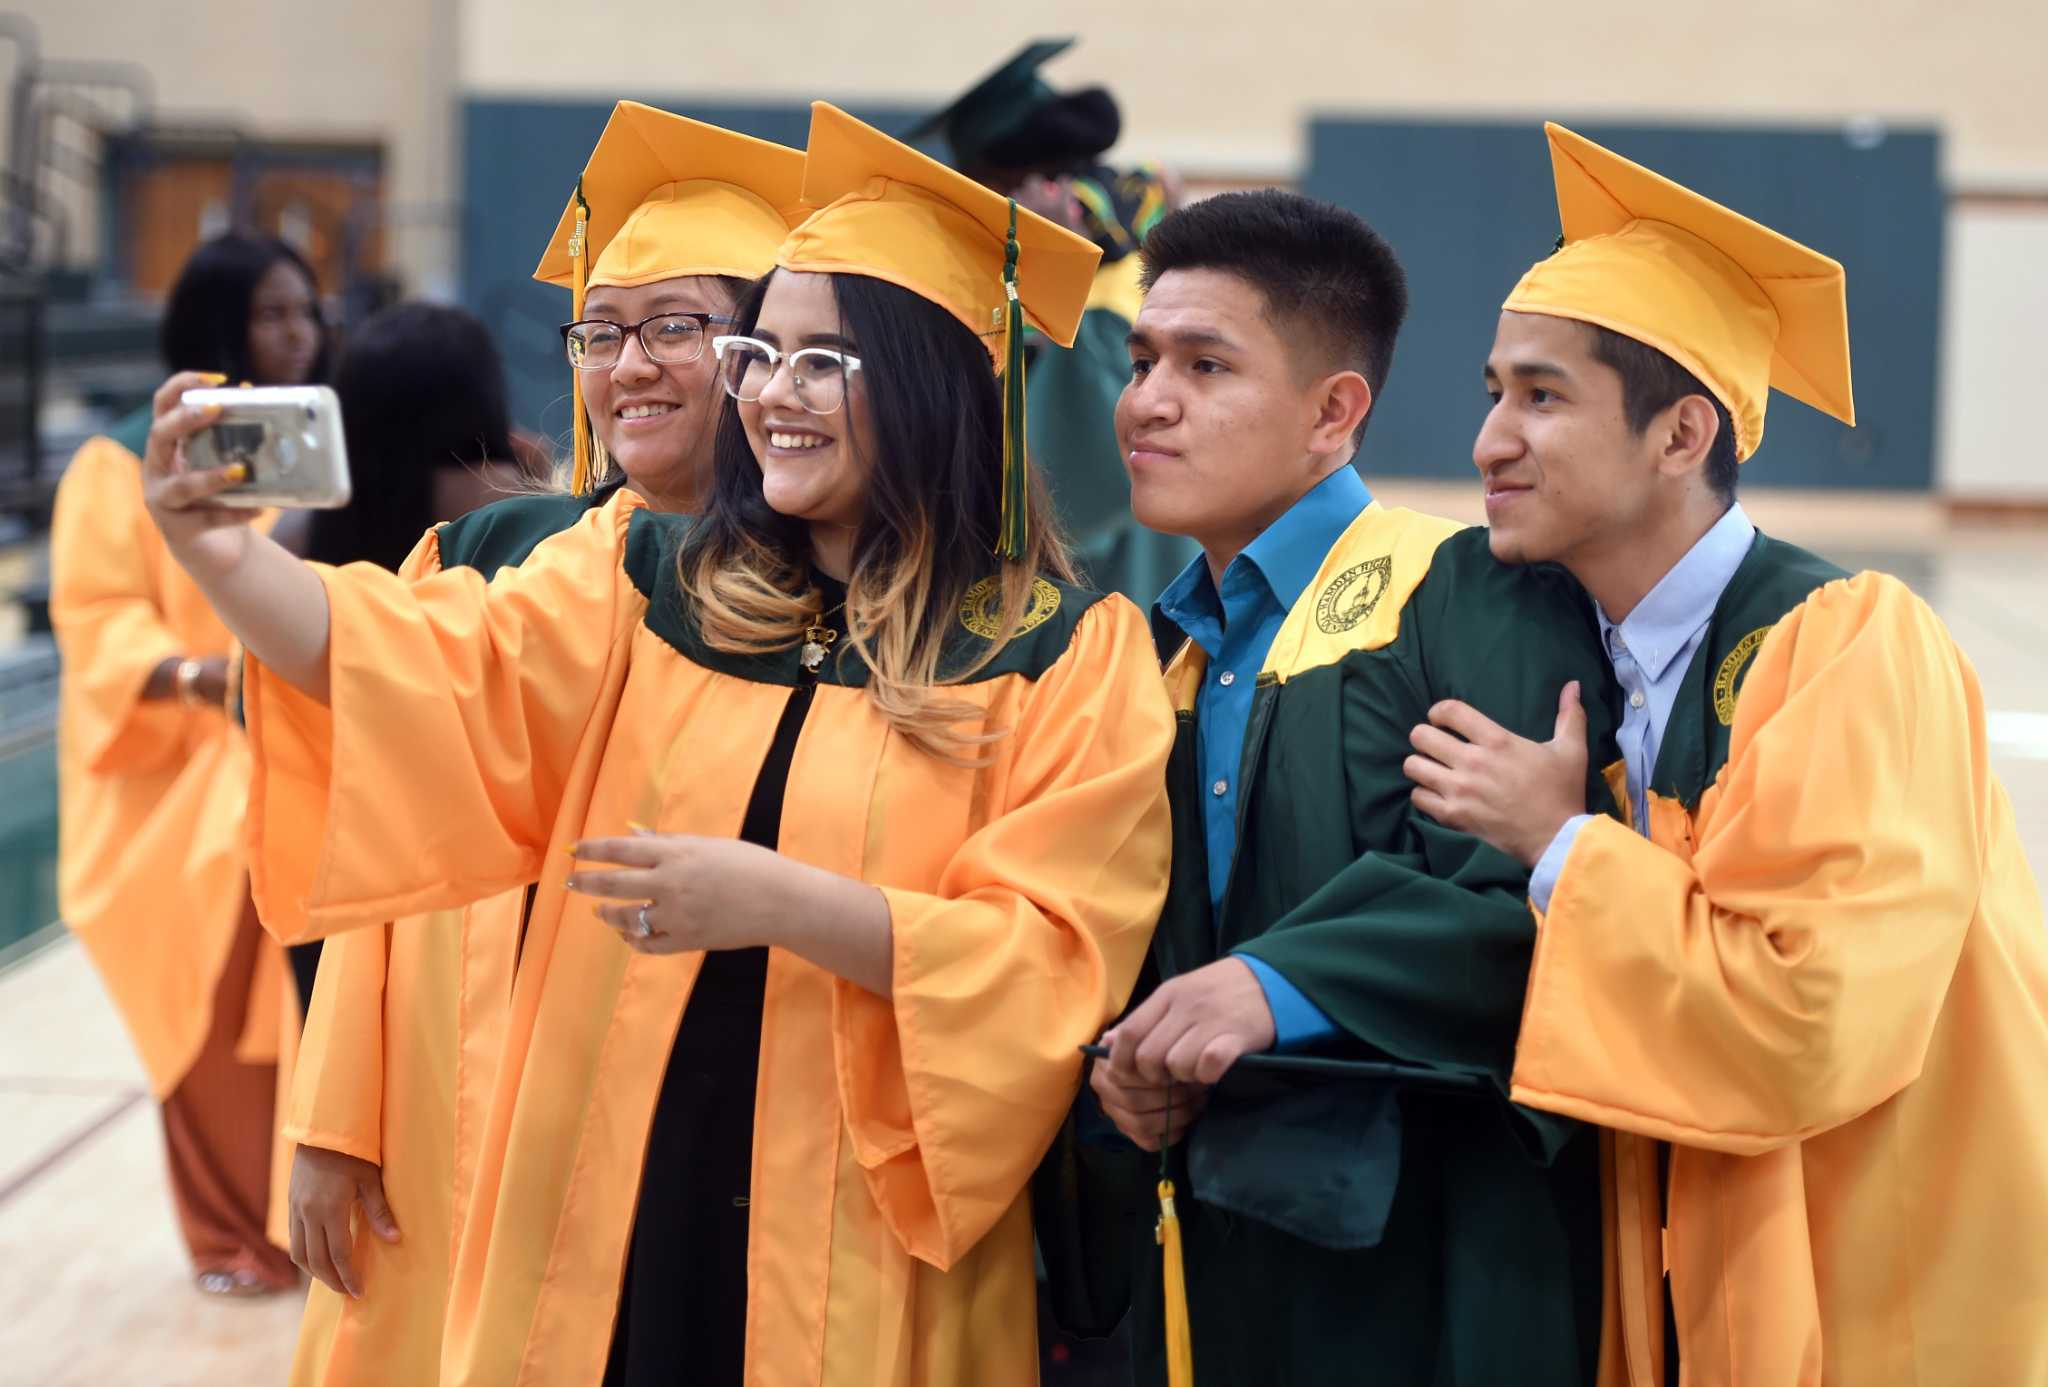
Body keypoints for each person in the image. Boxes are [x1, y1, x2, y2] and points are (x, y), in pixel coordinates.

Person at [142, 103, 1174, 1386]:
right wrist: (222, 552)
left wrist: (777, 902)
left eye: (816, 362)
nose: (769, 395)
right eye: (764, 355)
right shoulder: (639, 584)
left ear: (925, 385)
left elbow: (1053, 961)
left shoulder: (1063, 658)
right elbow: (411, 672)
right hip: (609, 1210)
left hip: (856, 1239)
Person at [1404, 124, 2048, 1386]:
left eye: (1540, 396)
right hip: (1684, 1260)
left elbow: (1802, 1014)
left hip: (1873, 1268)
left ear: (1681, 433)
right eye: (1492, 392)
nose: (1487, 440)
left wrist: (1560, 842)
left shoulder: (1850, 645)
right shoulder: (1562, 649)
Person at [279, 106, 808, 1387]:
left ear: (762, 353)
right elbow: (390, 824)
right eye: (602, 330)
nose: (629, 364)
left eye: (674, 326)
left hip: (684, 1116)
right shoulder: (489, 554)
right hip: (448, 1091)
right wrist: (332, 1114)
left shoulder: (832, 591)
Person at [1077, 189, 1618, 1384]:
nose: (1148, 401)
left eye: (1205, 364)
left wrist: (1275, 986)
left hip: (1428, 1255)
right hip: (1222, 1248)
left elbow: (1541, 901)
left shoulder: (1463, 590)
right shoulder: (1154, 654)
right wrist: (1135, 1055)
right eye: (1143, 359)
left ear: (1334, 412)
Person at [46, 231, 328, 1298]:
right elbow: (99, 617)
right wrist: (206, 680)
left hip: (306, 772)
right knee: (210, 1031)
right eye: (269, 313)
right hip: (185, 793)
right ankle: (233, 1236)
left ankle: (318, 1228)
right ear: (214, 325)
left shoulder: (331, 448)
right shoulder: (120, 463)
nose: (295, 333)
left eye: (304, 311)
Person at [915, 38, 1196, 605]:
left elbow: (1074, 487)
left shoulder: (1107, 297)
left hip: (1110, 583)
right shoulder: (1124, 253)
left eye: (989, 188)